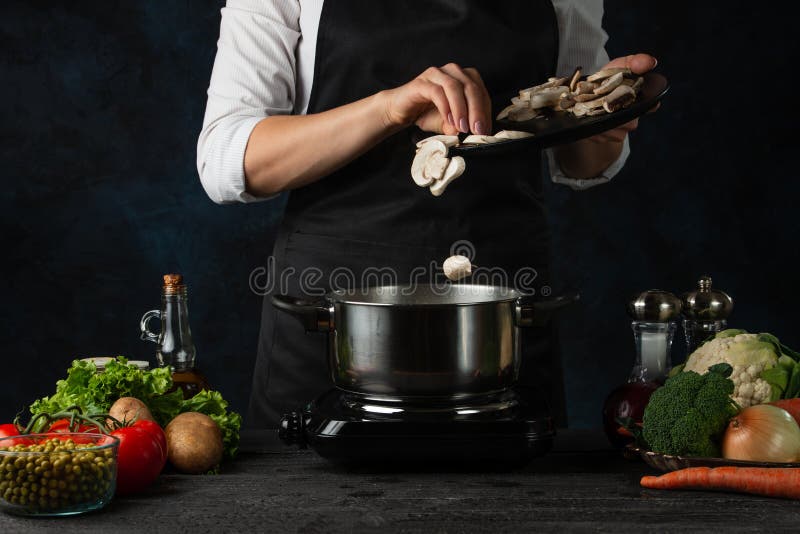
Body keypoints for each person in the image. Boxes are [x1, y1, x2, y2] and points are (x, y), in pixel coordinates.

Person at [197, 0, 657, 428]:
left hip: (498, 316)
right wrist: (388, 110)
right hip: (332, 316)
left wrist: (602, 121)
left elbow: (575, 157)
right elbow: (228, 159)